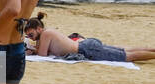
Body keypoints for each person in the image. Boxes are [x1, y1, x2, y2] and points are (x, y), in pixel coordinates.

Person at [23, 14, 155, 63]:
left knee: (127, 56)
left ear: (38, 29)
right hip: (86, 45)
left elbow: (42, 55)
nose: (31, 38)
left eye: (31, 35)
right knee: (123, 50)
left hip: (86, 49)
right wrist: (33, 47)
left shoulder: (45, 34)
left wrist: (31, 50)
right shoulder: (46, 34)